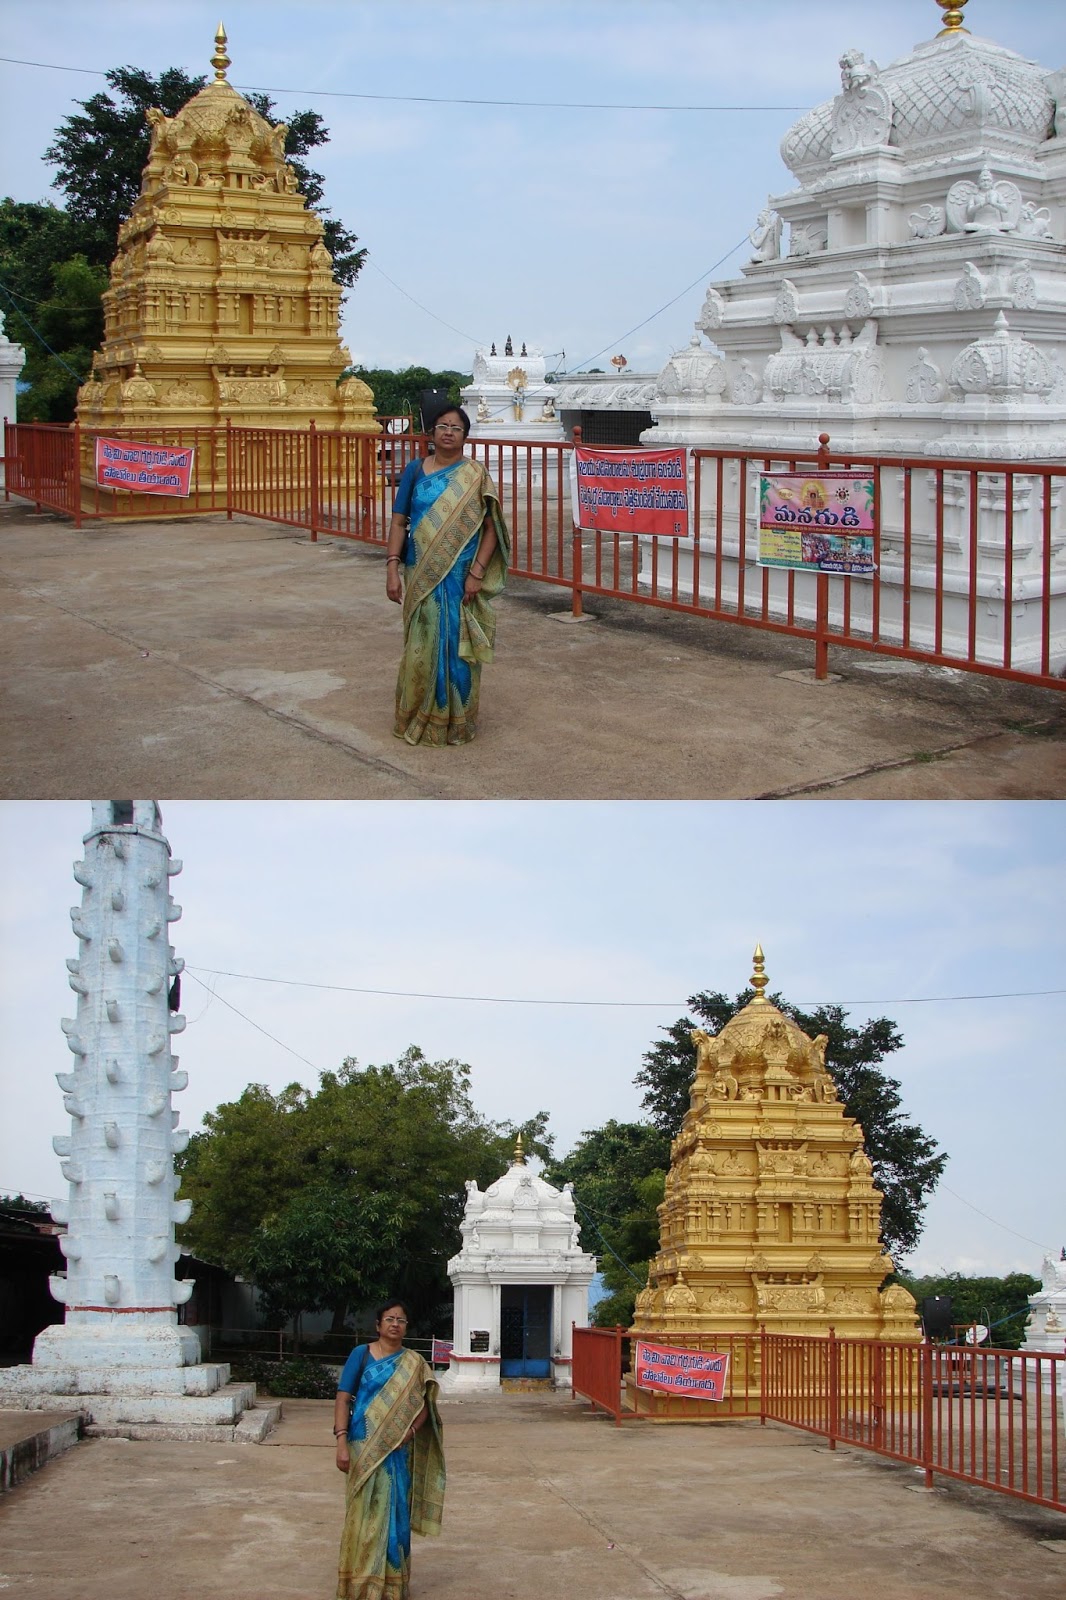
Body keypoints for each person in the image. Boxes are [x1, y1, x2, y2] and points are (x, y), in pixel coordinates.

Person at [385, 406, 510, 745]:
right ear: (432, 433)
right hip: (420, 572)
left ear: (465, 436)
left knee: (457, 645)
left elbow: (491, 529)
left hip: (459, 576)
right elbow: (399, 522)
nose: (448, 432)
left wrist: (477, 573)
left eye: (456, 427)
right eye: (442, 426)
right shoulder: (414, 471)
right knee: (420, 644)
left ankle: (456, 722)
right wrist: (392, 567)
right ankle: (416, 716)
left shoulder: (475, 474)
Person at [334, 1299, 445, 1600]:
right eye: (389, 1318)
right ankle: (359, 1585)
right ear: (378, 1324)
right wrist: (341, 1442)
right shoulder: (361, 1354)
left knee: (393, 1514)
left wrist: (409, 1432)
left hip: (397, 1451)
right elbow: (344, 1399)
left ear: (406, 1327)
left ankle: (391, 1586)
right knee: (362, 1515)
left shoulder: (414, 1363)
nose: (395, 1324)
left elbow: (425, 1405)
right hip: (361, 1447)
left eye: (401, 1320)